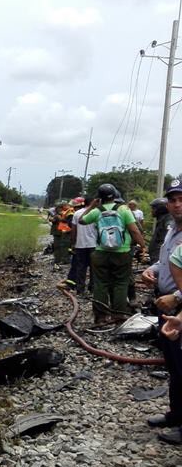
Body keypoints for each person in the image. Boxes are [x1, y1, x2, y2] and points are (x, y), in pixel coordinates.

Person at [142, 180, 182, 443]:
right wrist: (152, 271)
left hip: (177, 305)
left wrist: (176, 296)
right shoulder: (171, 230)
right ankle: (176, 414)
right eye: (173, 199)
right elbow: (163, 260)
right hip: (165, 304)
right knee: (173, 365)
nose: (177, 204)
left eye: (181, 199)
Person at [79, 183, 147, 324]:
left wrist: (91, 206)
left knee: (100, 284)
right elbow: (134, 230)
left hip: (101, 253)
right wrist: (143, 246)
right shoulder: (123, 210)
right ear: (115, 195)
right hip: (122, 253)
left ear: (100, 198)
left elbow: (81, 220)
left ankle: (101, 317)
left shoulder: (97, 211)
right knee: (120, 283)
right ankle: (119, 315)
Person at [63, 196, 95, 294]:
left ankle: (80, 289)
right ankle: (92, 288)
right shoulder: (96, 213)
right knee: (94, 268)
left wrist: (73, 243)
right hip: (94, 245)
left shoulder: (77, 213)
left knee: (81, 267)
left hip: (80, 244)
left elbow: (74, 230)